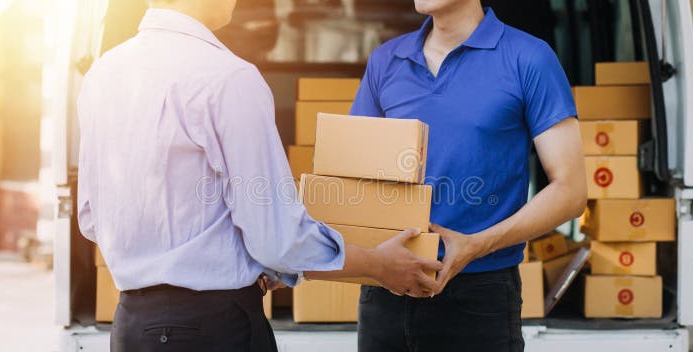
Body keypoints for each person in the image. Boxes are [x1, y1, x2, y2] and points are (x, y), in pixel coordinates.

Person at [75, 1, 443, 351]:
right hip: (212, 329)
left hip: (131, 328)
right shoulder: (227, 77)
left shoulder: (102, 74)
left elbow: (91, 218)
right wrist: (379, 265)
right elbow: (277, 239)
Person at [350, 1, 587, 351]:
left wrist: (477, 246)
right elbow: (352, 175)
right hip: (386, 293)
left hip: (480, 296)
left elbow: (571, 191)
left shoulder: (529, 58)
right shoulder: (386, 61)